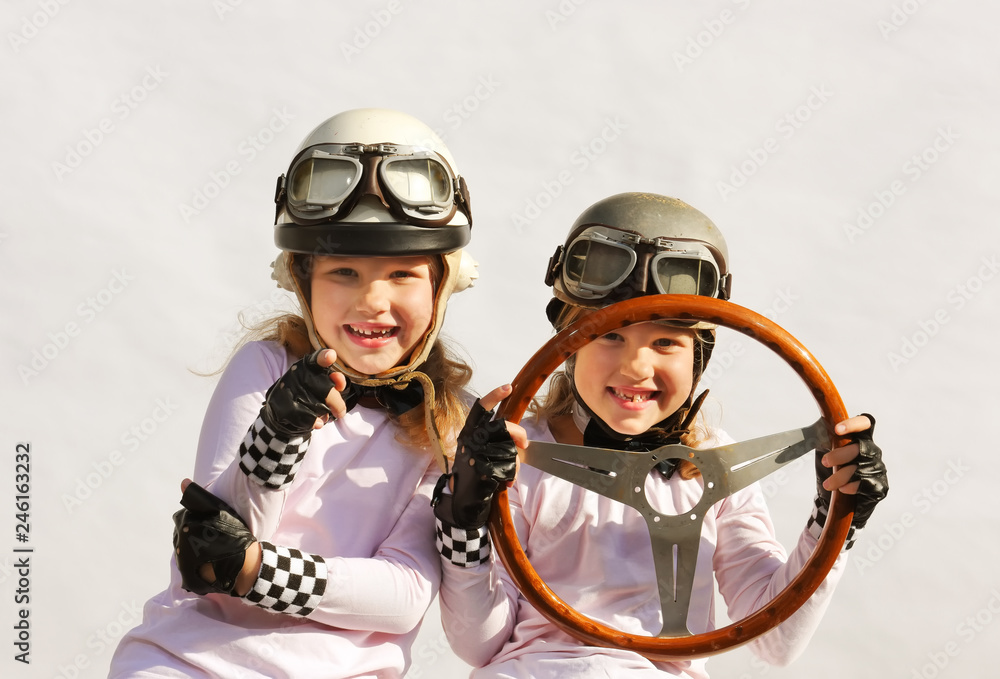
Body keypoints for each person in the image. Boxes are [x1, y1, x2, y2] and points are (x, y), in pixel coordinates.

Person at [431, 192, 889, 678]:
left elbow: (776, 640)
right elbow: (479, 644)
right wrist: (465, 519)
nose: (636, 366)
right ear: (567, 346)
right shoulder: (518, 460)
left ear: (700, 355)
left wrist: (835, 519)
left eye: (666, 341)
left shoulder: (717, 466)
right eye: (609, 335)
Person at [109, 108, 480, 678]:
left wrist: (257, 570)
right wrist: (277, 432)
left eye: (402, 274)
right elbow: (214, 548)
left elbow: (404, 595)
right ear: (302, 281)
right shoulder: (263, 367)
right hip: (189, 661)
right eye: (344, 273)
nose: (372, 302)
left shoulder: (447, 424)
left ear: (442, 284)